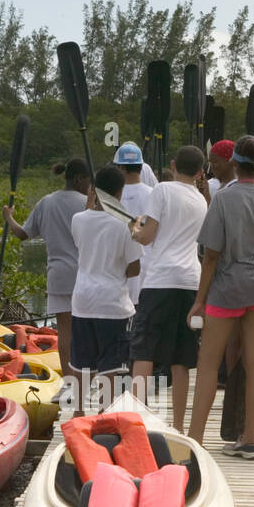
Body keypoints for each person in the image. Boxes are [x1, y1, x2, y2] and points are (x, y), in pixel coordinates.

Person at [187, 135, 254, 456]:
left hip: (228, 287)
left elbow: (211, 255)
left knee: (207, 364)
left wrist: (199, 301)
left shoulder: (224, 200)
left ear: (235, 162)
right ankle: (248, 440)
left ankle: (195, 441)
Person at [128, 145, 207, 432]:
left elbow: (146, 237)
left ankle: (137, 421)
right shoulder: (201, 200)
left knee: (144, 350)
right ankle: (178, 426)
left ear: (173, 165)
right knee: (181, 357)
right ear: (200, 172)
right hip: (189, 281)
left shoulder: (161, 190)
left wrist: (133, 228)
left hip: (160, 278)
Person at [2, 158, 90, 382]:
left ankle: (69, 381)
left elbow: (23, 234)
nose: (90, 186)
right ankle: (86, 380)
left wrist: (9, 218)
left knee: (64, 332)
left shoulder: (46, 202)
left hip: (58, 275)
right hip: (85, 275)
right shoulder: (87, 203)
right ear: (80, 179)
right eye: (89, 181)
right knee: (86, 330)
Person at [69, 163, 142, 412]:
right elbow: (135, 269)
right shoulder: (125, 225)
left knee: (81, 364)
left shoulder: (78, 220)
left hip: (82, 301)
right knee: (111, 365)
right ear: (120, 193)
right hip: (112, 303)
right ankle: (105, 411)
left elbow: (84, 246)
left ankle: (78, 411)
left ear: (93, 190)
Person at [114, 141, 154, 305]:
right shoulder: (154, 194)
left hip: (120, 270)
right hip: (148, 270)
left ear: (121, 168)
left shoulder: (113, 196)